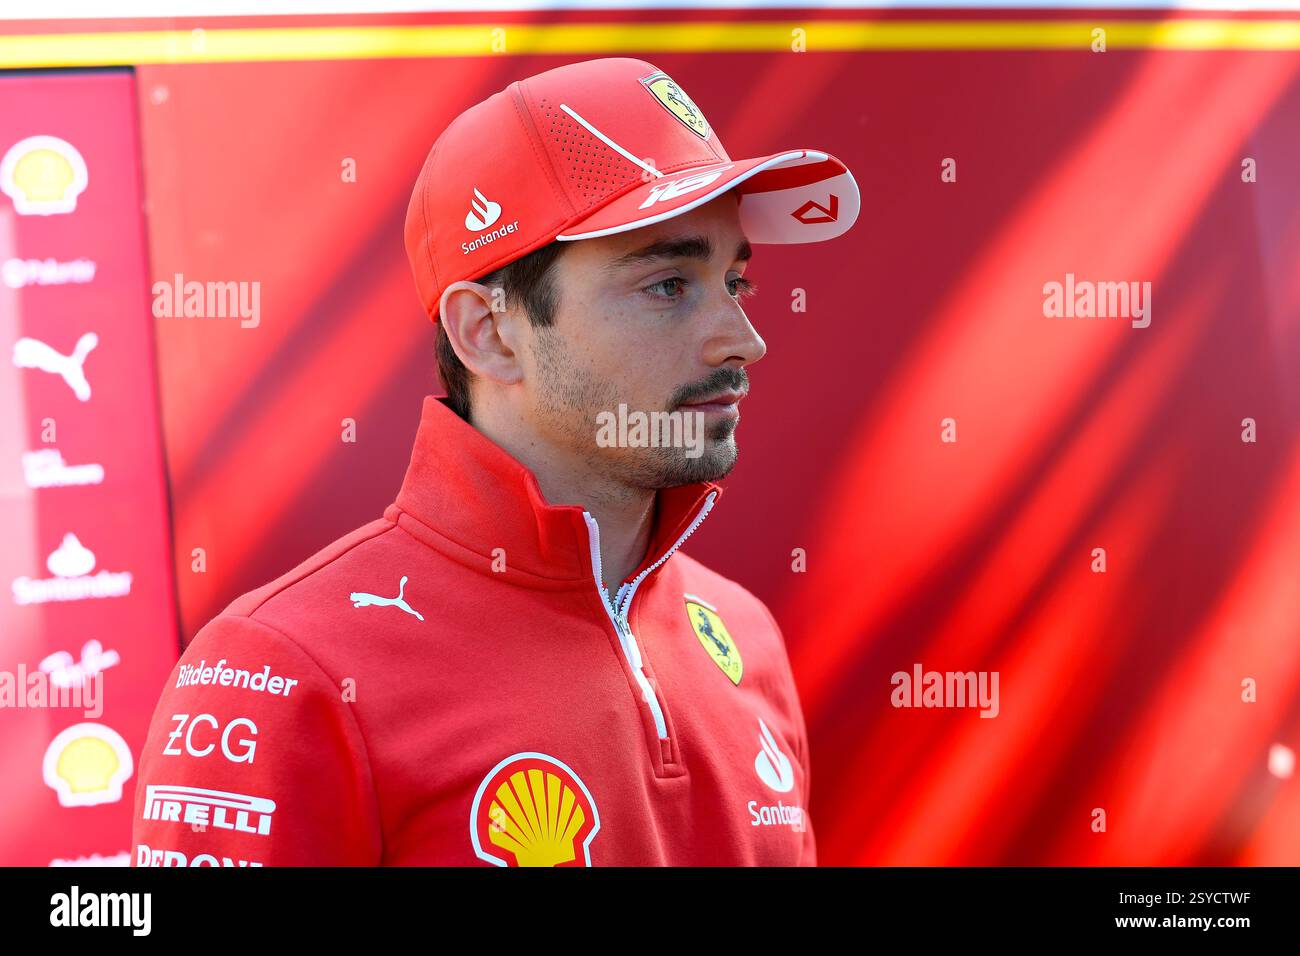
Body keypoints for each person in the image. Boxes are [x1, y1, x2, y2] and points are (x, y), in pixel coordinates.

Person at [131, 56, 859, 867]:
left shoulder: (745, 635)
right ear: (488, 331)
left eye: (735, 281)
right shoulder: (284, 671)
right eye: (666, 285)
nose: (744, 341)